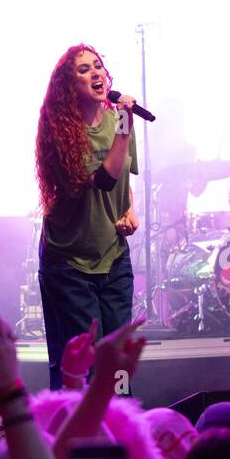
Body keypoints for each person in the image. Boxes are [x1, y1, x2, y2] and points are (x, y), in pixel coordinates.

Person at [35, 43, 140, 390]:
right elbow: (104, 179)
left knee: (120, 359)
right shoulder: (60, 132)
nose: (96, 73)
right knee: (87, 361)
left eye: (98, 66)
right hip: (70, 264)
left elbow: (123, 179)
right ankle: (77, 432)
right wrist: (125, 124)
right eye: (84, 69)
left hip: (113, 258)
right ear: (69, 86)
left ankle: (121, 422)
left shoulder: (117, 119)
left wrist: (129, 212)